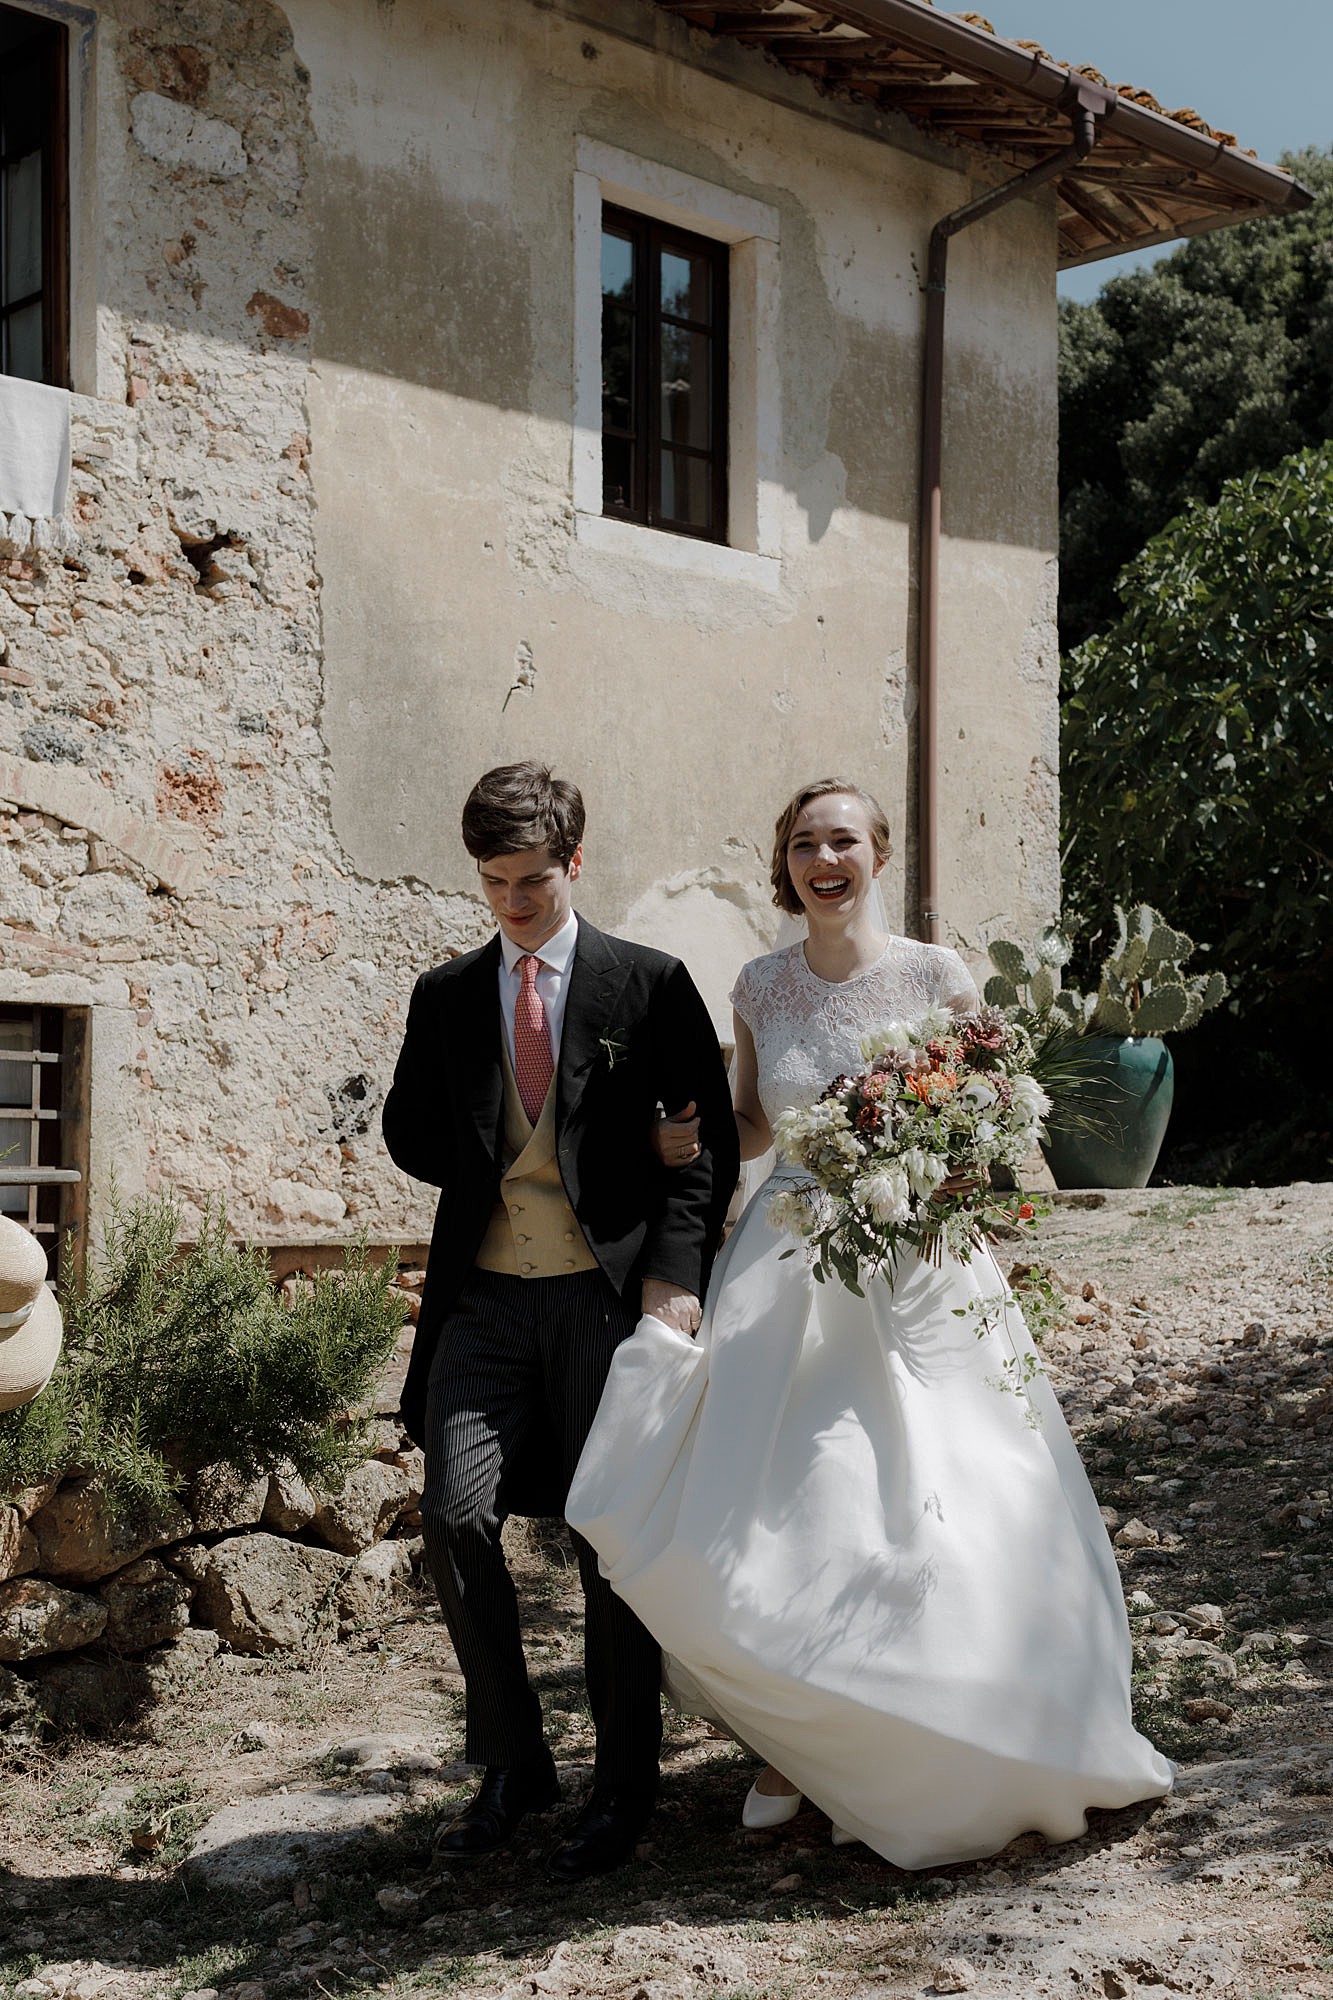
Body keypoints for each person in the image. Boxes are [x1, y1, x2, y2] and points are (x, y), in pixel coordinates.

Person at [567, 776, 1173, 1870]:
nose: (822, 856)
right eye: (803, 842)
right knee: (793, 1491)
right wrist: (688, 1139)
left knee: (945, 1491)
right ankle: (807, 1731)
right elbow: (755, 1119)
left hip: (918, 1257)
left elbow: (982, 1115)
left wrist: (938, 1155)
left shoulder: (936, 974)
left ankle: (942, 1721)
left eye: (841, 837)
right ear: (786, 864)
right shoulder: (758, 982)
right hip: (788, 1255)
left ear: (877, 853)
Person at [382, 762, 738, 1883]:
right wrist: (482, 1145)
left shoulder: (648, 983)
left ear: (574, 863)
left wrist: (673, 1279)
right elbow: (407, 1130)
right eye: (495, 881)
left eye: (533, 879)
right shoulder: (445, 994)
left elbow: (704, 1147)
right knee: (454, 1512)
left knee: (608, 1539)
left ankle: (623, 1783)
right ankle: (513, 1762)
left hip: (602, 1296)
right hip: (482, 1297)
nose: (514, 901)